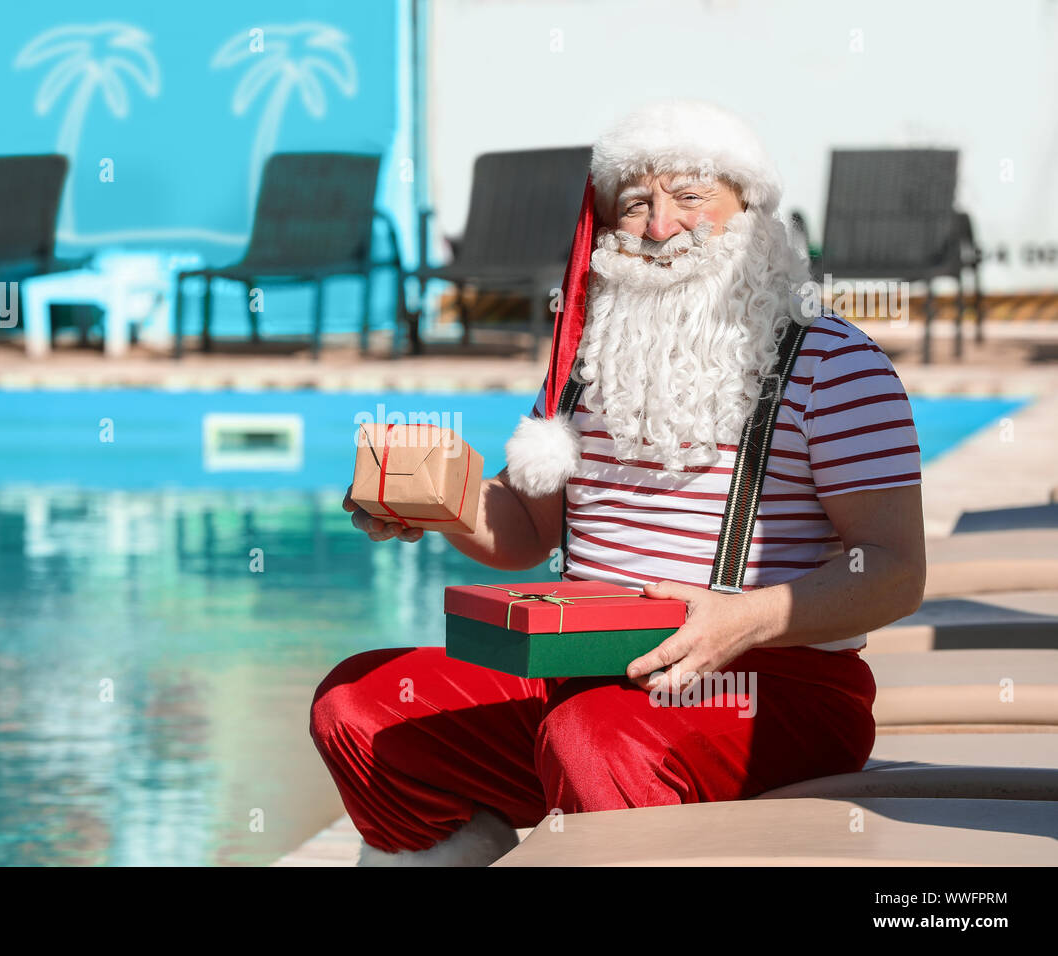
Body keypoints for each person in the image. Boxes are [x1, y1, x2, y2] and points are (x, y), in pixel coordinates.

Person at [311, 99, 927, 866]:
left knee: (594, 738)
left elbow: (895, 572)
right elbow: (528, 533)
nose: (661, 225)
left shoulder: (836, 366)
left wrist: (744, 620)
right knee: (360, 705)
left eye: (691, 195)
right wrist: (433, 500)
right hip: (577, 671)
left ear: (752, 212)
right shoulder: (584, 358)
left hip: (767, 682)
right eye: (636, 203)